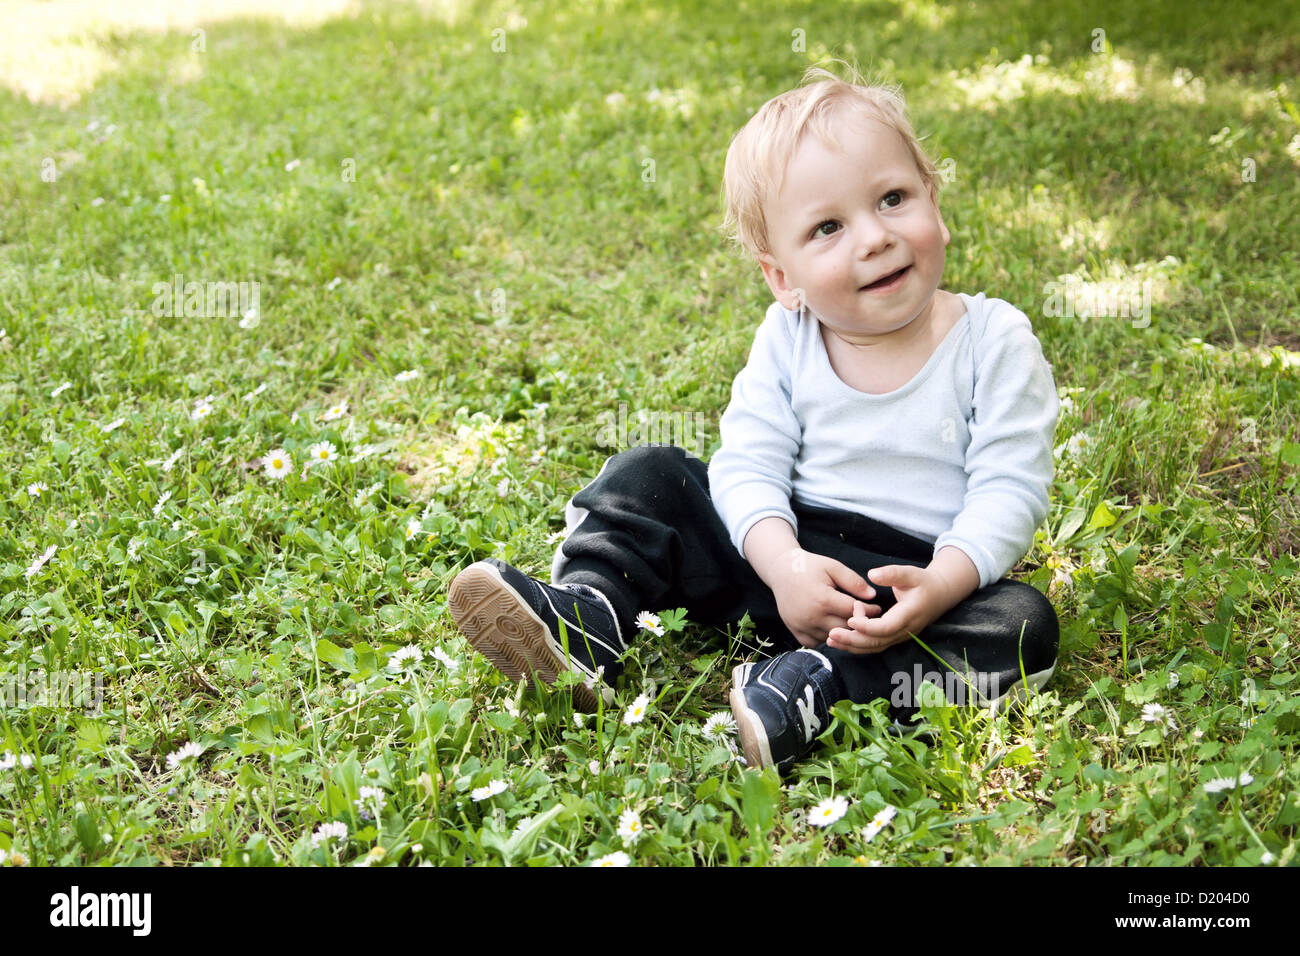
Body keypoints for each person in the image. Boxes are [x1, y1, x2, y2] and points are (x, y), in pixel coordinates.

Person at [447, 63, 1061, 773]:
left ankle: (818, 686)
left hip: (904, 589)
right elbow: (747, 463)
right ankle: (590, 617)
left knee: (1022, 624)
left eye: (893, 198)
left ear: (935, 200)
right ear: (782, 278)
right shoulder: (789, 337)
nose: (874, 237)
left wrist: (943, 585)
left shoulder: (993, 340)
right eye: (828, 226)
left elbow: (1009, 488)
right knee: (651, 475)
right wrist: (785, 566)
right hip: (774, 554)